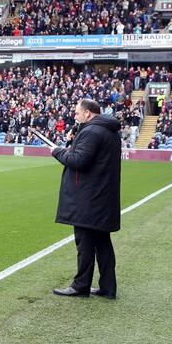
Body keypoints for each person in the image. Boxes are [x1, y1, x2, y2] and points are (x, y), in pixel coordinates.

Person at [50, 99, 122, 299]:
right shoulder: (109, 131)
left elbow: (79, 160)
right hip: (102, 196)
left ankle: (80, 286)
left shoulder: (92, 132)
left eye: (77, 113)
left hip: (88, 198)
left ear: (88, 114)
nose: (75, 116)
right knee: (102, 243)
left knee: (85, 244)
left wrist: (57, 152)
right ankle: (108, 287)